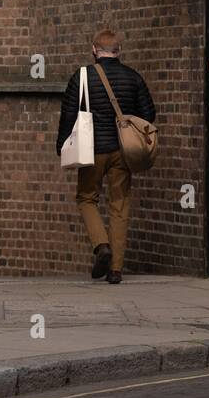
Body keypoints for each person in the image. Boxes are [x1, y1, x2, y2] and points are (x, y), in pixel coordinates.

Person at [56, 28, 156, 284]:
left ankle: (101, 246)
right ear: (118, 50)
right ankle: (116, 269)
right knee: (119, 204)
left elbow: (68, 115)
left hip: (92, 150)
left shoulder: (82, 78)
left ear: (94, 50)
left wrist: (62, 146)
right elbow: (149, 115)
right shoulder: (133, 78)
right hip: (123, 152)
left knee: (87, 198)